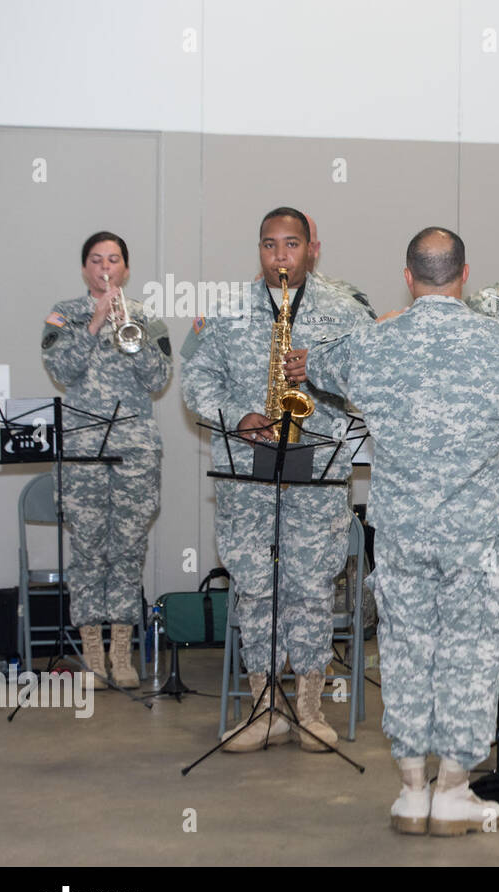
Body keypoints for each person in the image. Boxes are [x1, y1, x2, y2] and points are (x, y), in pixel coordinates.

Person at [297, 226, 499, 834]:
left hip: (401, 533)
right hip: (477, 536)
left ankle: (410, 791)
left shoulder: (371, 343)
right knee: (473, 656)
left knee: (405, 653)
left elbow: (313, 363)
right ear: (464, 276)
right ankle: (454, 789)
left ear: (408, 277)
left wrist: (376, 327)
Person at [181, 206, 370, 752]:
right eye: (269, 245)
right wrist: (239, 416)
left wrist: (323, 370)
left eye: (291, 245)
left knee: (312, 589)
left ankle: (309, 709)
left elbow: (373, 378)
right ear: (259, 249)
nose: (280, 256)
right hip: (248, 471)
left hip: (317, 467)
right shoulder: (226, 311)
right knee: (256, 590)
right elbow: (196, 380)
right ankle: (264, 707)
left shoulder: (347, 311)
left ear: (313, 247)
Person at [41, 232, 171, 688]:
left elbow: (158, 379)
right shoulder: (65, 314)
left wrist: (125, 332)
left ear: (126, 269)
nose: (105, 267)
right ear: (84, 268)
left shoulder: (145, 319)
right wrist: (94, 325)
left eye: (114, 260)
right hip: (82, 452)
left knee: (128, 550)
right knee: (89, 550)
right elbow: (60, 369)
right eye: (96, 260)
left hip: (134, 449)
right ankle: (92, 655)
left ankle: (122, 653)